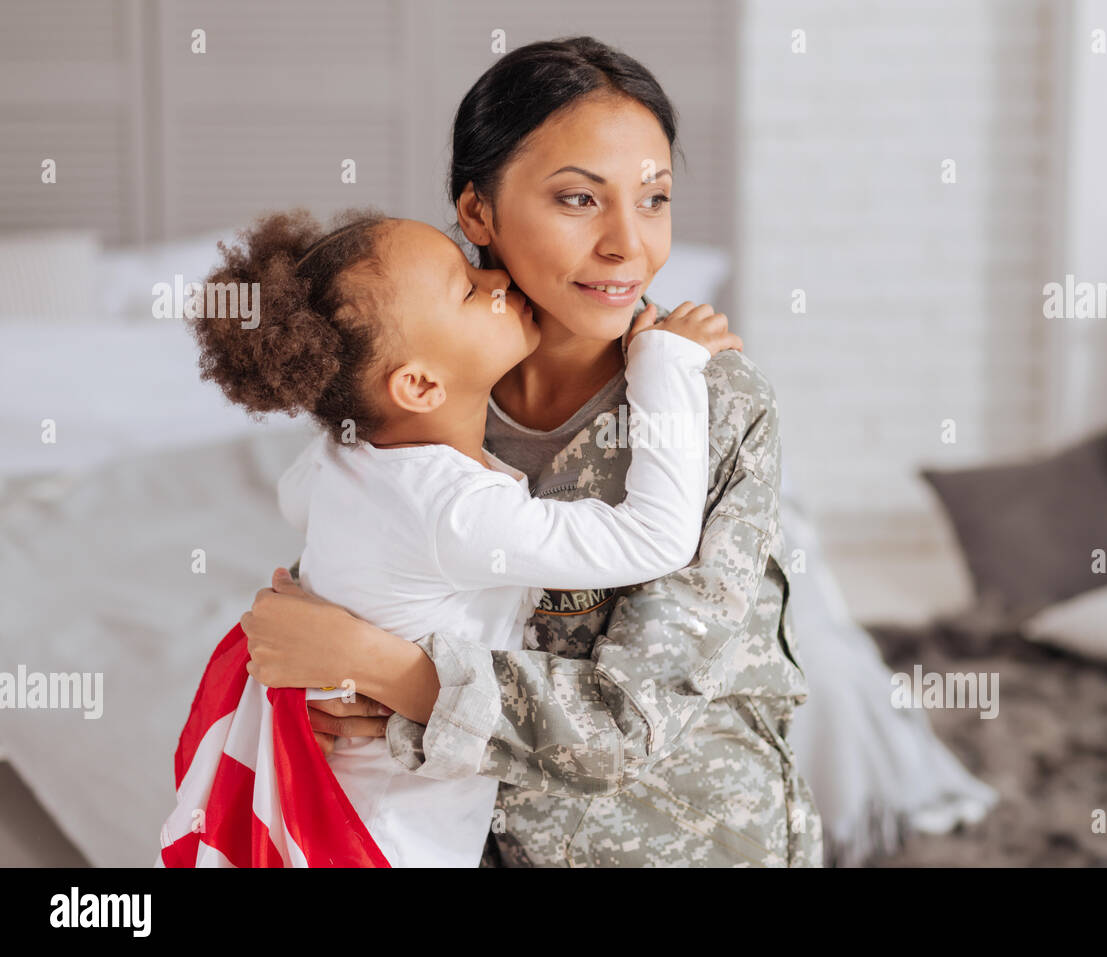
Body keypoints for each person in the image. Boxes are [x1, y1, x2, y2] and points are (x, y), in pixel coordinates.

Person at [242, 35, 824, 866]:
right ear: (478, 211)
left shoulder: (717, 406)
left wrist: (393, 673)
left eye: (653, 198)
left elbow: (627, 724)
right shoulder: (411, 382)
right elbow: (352, 605)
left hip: (683, 841)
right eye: (580, 200)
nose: (629, 244)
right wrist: (331, 650)